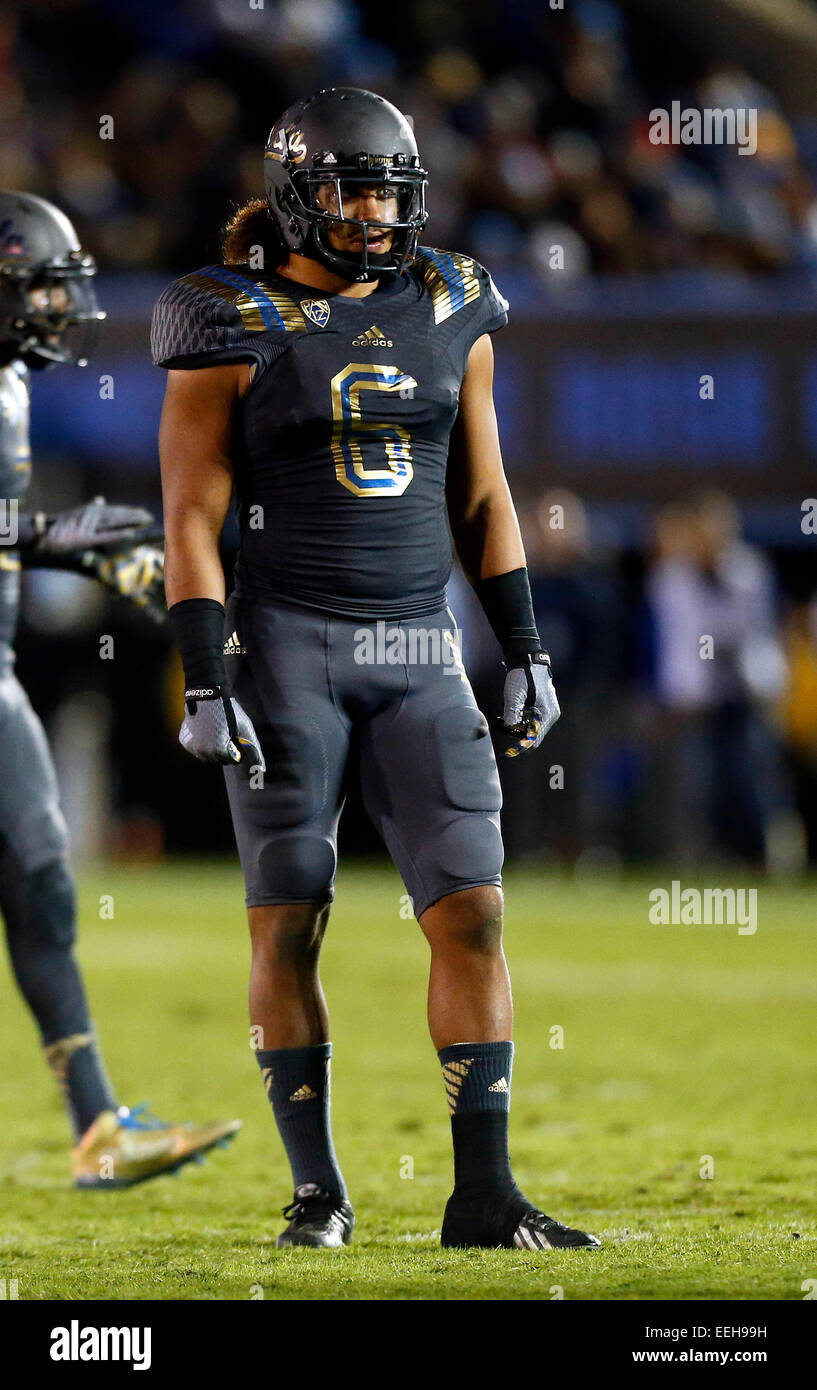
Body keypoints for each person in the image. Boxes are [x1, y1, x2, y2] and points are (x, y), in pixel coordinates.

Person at [154, 88, 600, 1251]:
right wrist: (205, 678)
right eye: (352, 189)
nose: (374, 213)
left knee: (474, 915)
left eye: (391, 191)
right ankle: (317, 1189)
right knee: (288, 924)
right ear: (300, 194)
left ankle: (484, 1194)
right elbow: (192, 517)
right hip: (286, 646)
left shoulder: (451, 301)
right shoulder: (228, 314)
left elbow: (485, 494)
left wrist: (528, 650)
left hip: (421, 648)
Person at [0, 190, 240, 1186]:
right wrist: (61, 542)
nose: (58, 309)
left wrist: (71, 554)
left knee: (44, 880)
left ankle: (98, 1125)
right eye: (41, 288)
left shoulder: (11, 385)